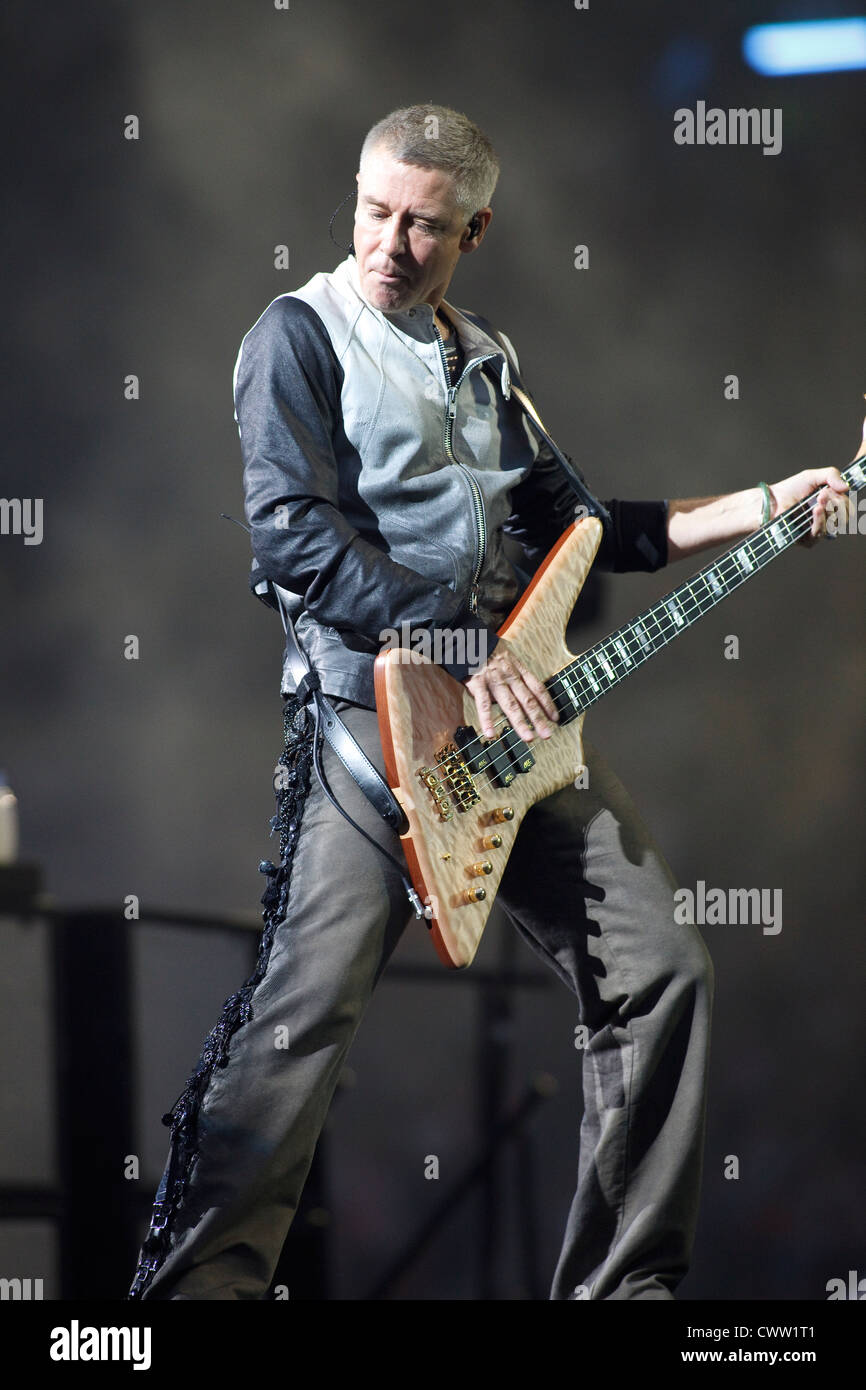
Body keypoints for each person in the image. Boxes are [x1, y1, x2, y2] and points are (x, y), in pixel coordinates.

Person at [128, 104, 847, 1301]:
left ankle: (623, 1293)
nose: (391, 244)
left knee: (661, 967)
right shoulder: (295, 337)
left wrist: (769, 500)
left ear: (476, 230)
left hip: (513, 726)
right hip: (373, 724)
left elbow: (581, 529)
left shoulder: (486, 358)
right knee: (299, 1028)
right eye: (374, 213)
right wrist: (458, 639)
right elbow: (295, 538)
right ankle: (191, 1299)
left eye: (424, 225)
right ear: (352, 199)